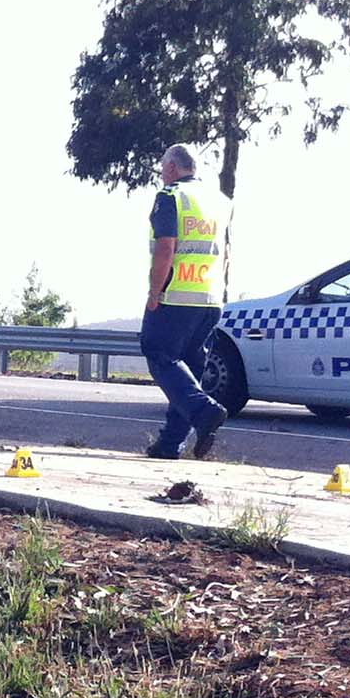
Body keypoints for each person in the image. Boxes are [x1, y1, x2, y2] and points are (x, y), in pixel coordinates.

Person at [140, 143, 226, 460]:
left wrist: (154, 292)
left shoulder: (171, 196)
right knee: (189, 366)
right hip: (210, 297)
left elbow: (166, 248)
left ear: (173, 168)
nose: (163, 174)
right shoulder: (219, 201)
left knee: (158, 352)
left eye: (164, 168)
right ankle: (170, 444)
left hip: (176, 295)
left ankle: (204, 411)